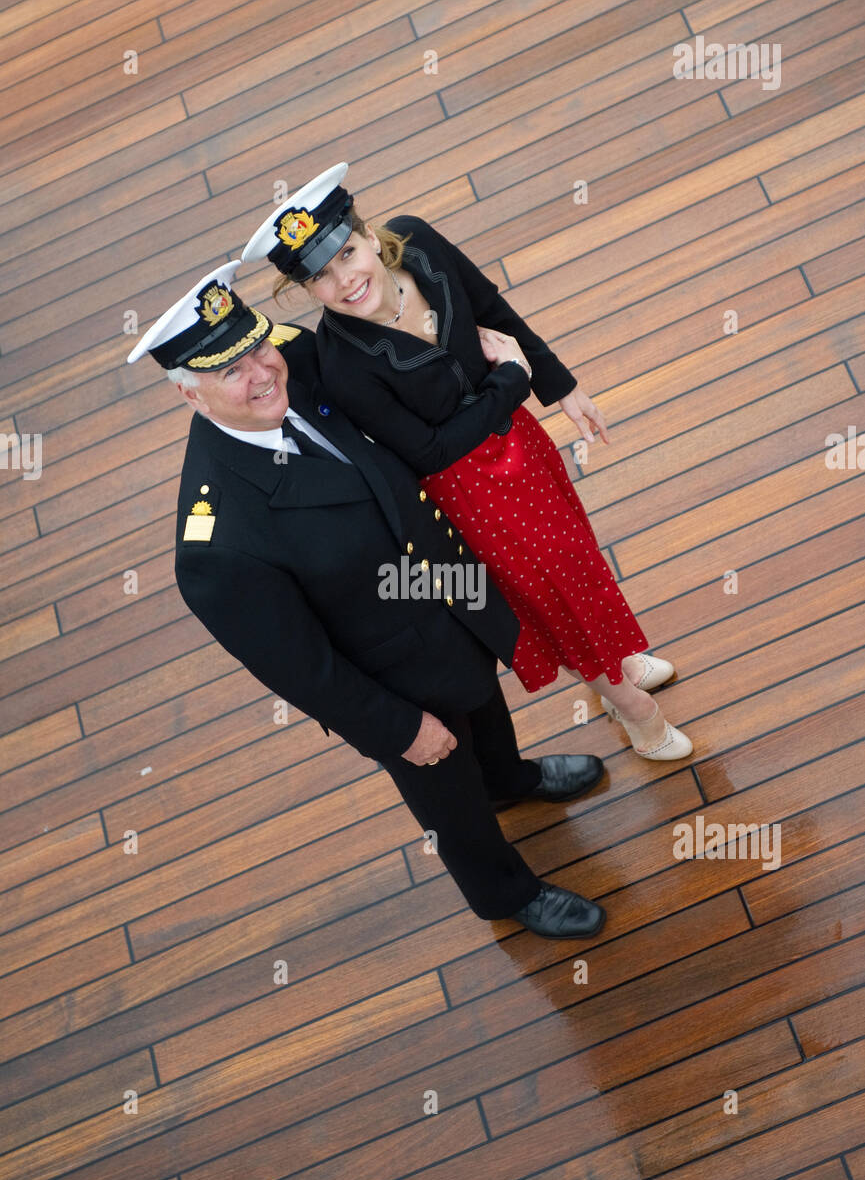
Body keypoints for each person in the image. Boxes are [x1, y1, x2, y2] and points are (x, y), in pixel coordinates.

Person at [126, 262, 609, 939]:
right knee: (445, 787)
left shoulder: (295, 357)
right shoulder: (217, 544)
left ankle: (508, 778)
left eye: (256, 348)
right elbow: (303, 671)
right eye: (230, 372)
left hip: (444, 590)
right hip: (395, 679)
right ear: (190, 396)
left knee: (483, 701)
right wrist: (397, 731)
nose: (263, 373)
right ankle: (505, 893)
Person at [242, 165, 693, 762]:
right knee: (550, 591)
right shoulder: (344, 365)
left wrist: (559, 387)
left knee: (575, 562)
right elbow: (429, 451)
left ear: (370, 237)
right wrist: (509, 384)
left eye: (348, 254)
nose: (346, 282)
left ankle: (613, 659)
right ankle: (635, 709)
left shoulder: (419, 241)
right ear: (305, 291)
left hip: (523, 448)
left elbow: (491, 307)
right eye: (322, 278)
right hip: (472, 488)